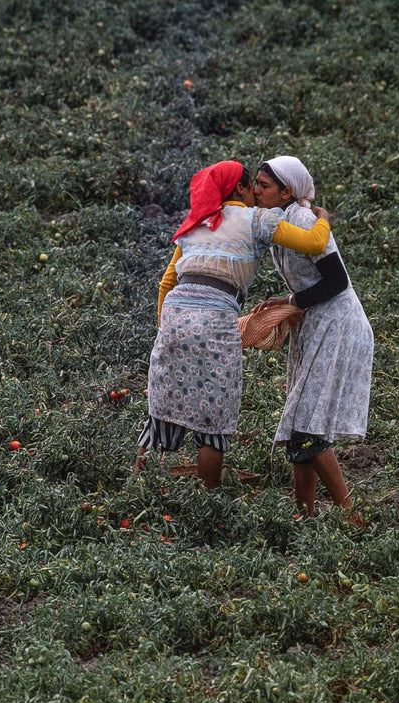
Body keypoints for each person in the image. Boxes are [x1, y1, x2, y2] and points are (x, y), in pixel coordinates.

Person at [135, 159, 331, 488]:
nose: (255, 191)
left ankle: (137, 489)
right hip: (215, 319)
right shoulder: (258, 220)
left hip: (175, 316)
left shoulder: (195, 223)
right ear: (239, 188)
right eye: (250, 184)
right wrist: (322, 218)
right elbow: (314, 243)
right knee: (214, 416)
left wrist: (165, 331)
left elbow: (166, 283)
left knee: (164, 407)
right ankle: (208, 497)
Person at [253, 156, 374, 516]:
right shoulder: (282, 221)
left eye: (264, 185)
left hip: (337, 326)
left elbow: (337, 281)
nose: (257, 192)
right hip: (317, 324)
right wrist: (289, 302)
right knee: (300, 424)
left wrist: (294, 301)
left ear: (287, 191)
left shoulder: (304, 220)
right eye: (256, 184)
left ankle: (349, 513)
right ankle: (304, 513)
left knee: (306, 425)